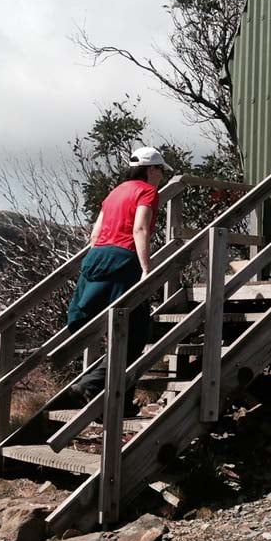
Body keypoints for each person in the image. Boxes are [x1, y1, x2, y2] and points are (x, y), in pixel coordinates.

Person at [62, 146, 168, 415]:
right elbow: (140, 228)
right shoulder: (147, 192)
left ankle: (119, 405)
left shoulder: (114, 193)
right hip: (123, 260)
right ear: (151, 169)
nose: (162, 176)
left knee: (120, 330)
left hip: (96, 259)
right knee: (134, 335)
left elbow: (95, 234)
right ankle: (90, 385)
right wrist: (147, 268)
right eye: (161, 170)